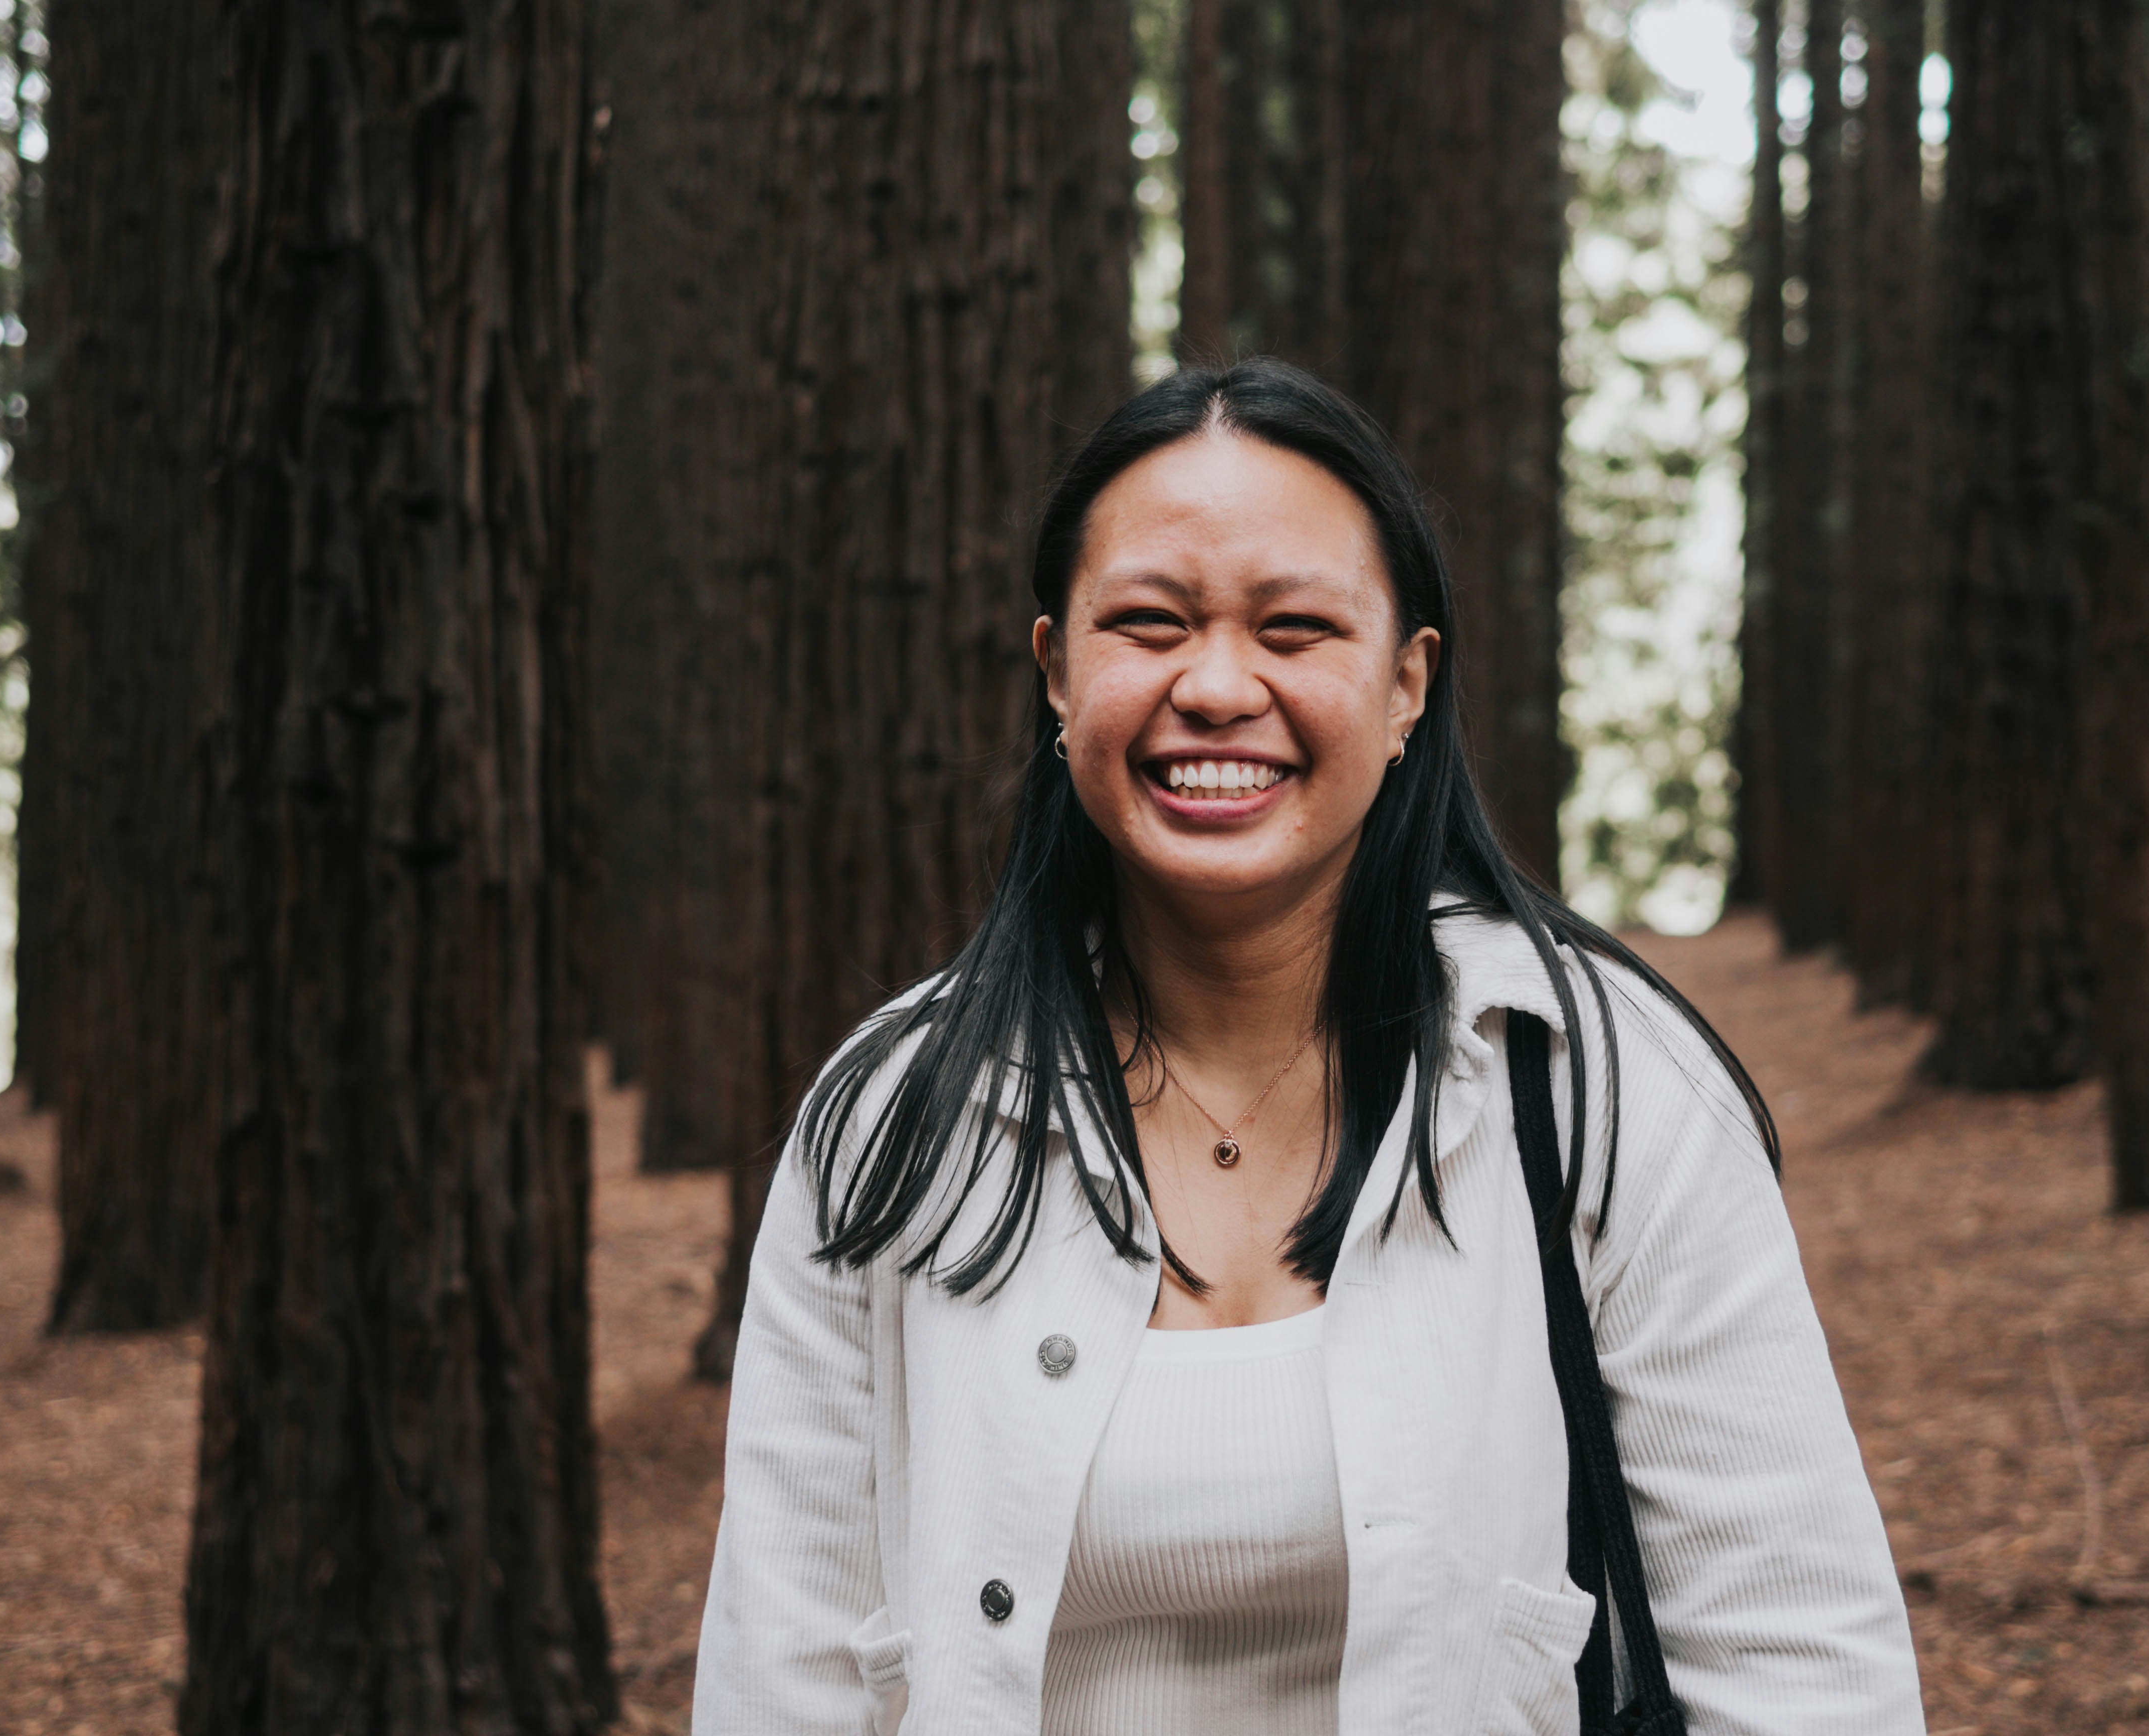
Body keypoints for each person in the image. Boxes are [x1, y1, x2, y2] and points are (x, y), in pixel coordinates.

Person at [692, 359, 1922, 1736]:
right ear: (1056, 671)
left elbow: (1800, 1662)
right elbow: (780, 1673)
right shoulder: (893, 1122)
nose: (1218, 688)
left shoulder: (1596, 1084)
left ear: (1408, 685)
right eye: (1149, 624)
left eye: (1296, 631)